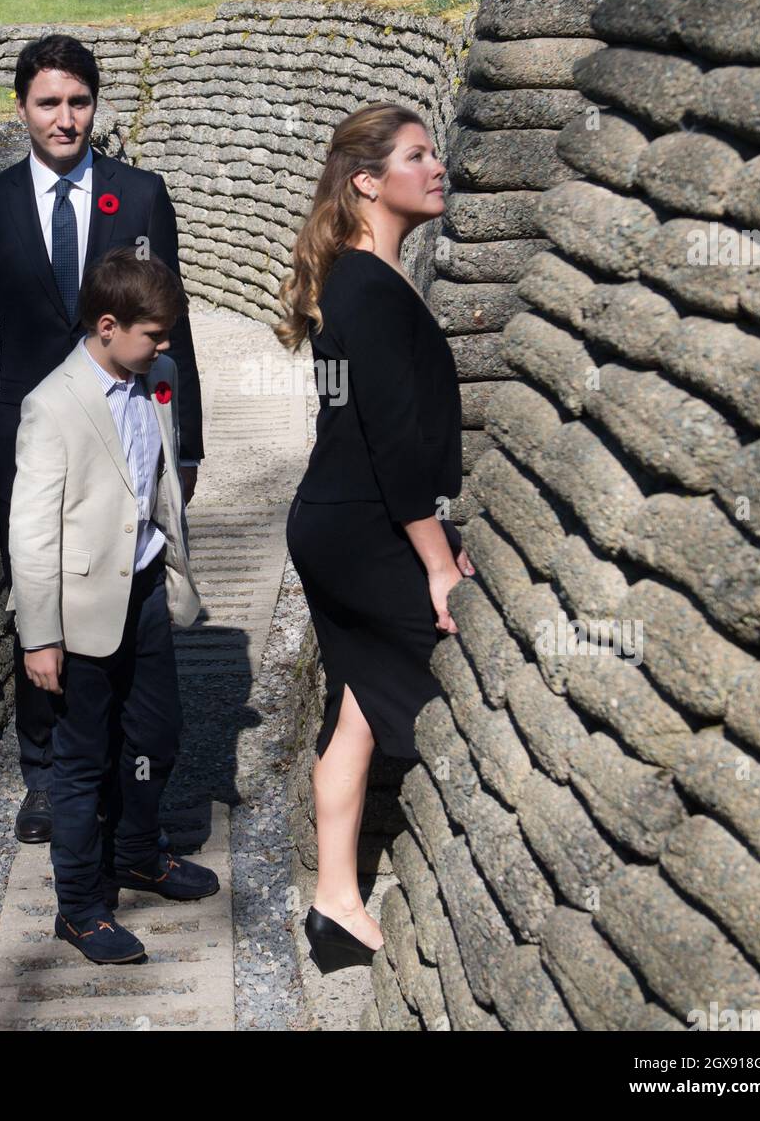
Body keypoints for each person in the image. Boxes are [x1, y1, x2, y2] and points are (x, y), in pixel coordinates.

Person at [0, 33, 204, 844]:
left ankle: (127, 771)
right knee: (39, 601)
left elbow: (175, 331)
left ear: (97, 104)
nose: (65, 118)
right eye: (49, 103)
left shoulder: (138, 196)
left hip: (125, 438)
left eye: (79, 101)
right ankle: (49, 776)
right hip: (25, 443)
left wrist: (184, 444)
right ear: (21, 109)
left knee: (125, 599)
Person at [274, 102, 474, 974]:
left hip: (334, 523)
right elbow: (393, 443)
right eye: (417, 156)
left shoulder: (351, 282)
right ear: (368, 181)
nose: (437, 168)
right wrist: (438, 564)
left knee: (356, 712)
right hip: (366, 531)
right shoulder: (370, 287)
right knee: (456, 685)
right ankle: (363, 899)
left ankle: (335, 905)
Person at [6, 246, 217, 963]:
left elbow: (156, 482)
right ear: (106, 325)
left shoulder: (157, 376)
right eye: (153, 334)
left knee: (157, 737)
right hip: (75, 614)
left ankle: (138, 855)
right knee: (82, 763)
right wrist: (39, 637)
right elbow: (30, 535)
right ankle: (80, 907)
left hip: (147, 591)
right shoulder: (51, 406)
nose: (164, 347)